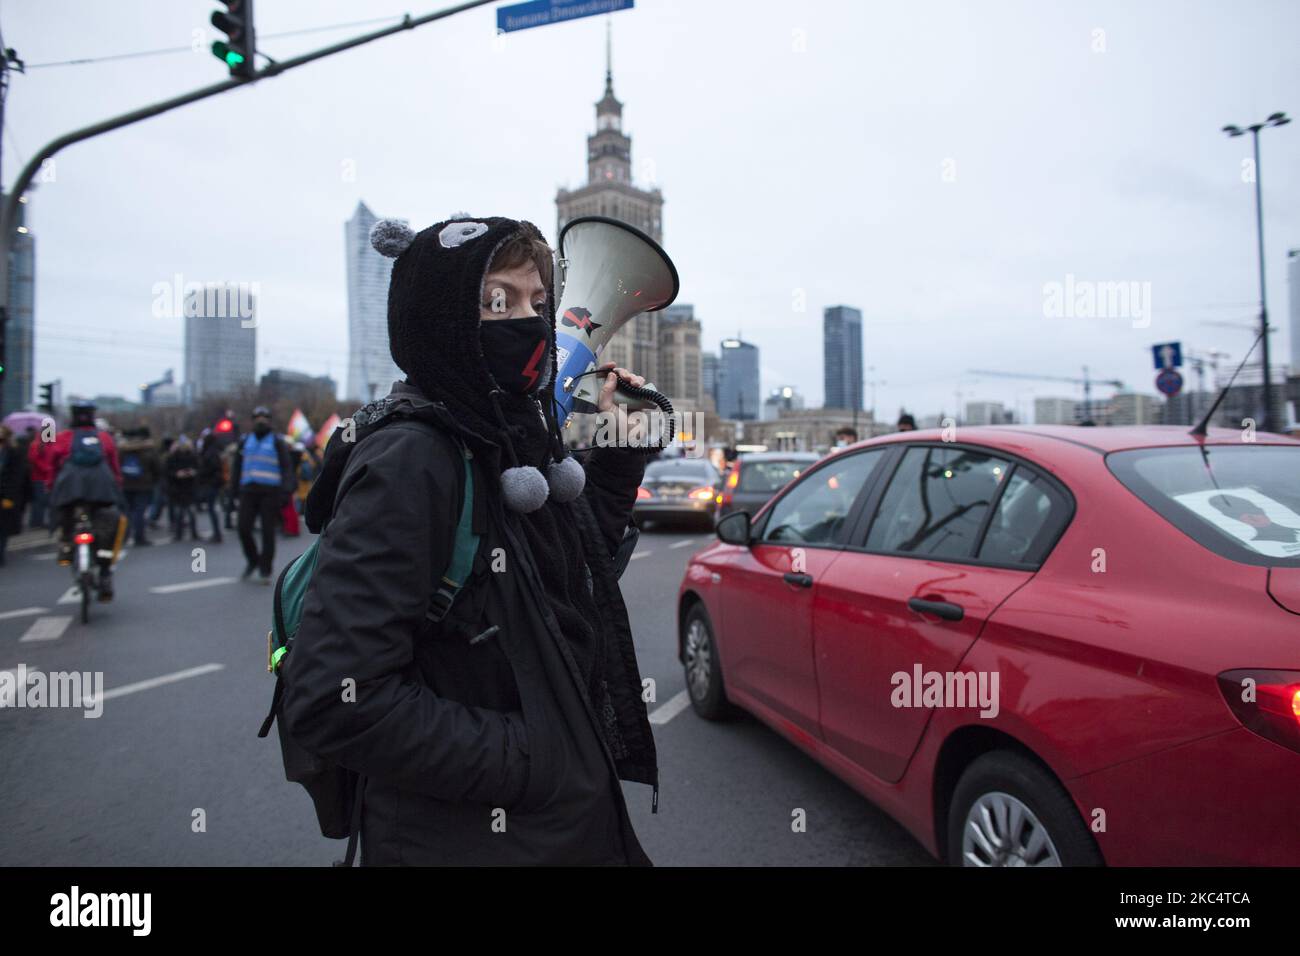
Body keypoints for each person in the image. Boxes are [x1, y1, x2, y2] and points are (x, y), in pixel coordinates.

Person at [279, 215, 659, 866]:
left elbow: (557, 590)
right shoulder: (412, 459)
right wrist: (539, 759)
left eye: (539, 302)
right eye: (496, 301)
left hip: (556, 830)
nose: (528, 320)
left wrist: (623, 453)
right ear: (437, 318)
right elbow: (335, 699)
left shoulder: (511, 438)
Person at [48, 402, 123, 601]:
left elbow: (53, 465)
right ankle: (105, 574)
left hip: (70, 487)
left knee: (64, 515)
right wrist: (117, 486)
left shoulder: (64, 438)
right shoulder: (104, 438)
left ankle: (65, 545)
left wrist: (52, 486)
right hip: (101, 487)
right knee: (108, 529)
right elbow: (114, 467)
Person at [231, 406, 294, 583]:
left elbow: (286, 468)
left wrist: (286, 491)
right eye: (257, 417)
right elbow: (237, 468)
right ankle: (253, 560)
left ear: (269, 420)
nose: (261, 420)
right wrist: (232, 492)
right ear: (253, 420)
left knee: (268, 533)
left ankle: (265, 569)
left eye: (264, 417)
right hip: (248, 491)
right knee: (243, 528)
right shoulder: (245, 441)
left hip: (270, 493)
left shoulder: (276, 441)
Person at [117, 425, 161, 546]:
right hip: (143, 485)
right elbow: (156, 467)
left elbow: (116, 466)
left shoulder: (122, 450)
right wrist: (154, 480)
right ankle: (139, 537)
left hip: (126, 484)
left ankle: (124, 537)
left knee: (126, 512)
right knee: (139, 512)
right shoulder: (148, 449)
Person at [0, 425, 30, 565]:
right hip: (8, 494)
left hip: (6, 495)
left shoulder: (13, 452)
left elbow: (17, 476)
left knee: (3, 525)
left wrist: (9, 497)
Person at [164, 434, 201, 542]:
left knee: (186, 511)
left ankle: (186, 533)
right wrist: (177, 474)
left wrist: (192, 472)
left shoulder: (190, 456)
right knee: (183, 511)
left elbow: (198, 468)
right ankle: (183, 533)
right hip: (180, 487)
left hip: (185, 486)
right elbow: (167, 472)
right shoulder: (174, 457)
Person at [196, 428, 225, 544]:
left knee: (212, 509)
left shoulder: (209, 453)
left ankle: (217, 533)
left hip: (210, 483)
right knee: (212, 508)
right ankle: (217, 533)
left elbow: (210, 468)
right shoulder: (214, 451)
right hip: (213, 483)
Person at [26, 425, 54, 532]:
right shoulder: (36, 444)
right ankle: (37, 522)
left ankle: (41, 521)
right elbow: (34, 459)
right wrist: (47, 469)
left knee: (45, 500)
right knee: (39, 500)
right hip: (39, 477)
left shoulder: (48, 444)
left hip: (47, 476)